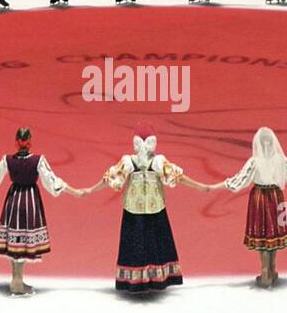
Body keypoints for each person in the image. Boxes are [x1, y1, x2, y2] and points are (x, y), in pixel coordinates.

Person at [0, 128, 86, 295]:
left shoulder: (8, 160)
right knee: (23, 241)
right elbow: (52, 182)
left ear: (16, 142)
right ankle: (17, 282)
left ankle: (16, 279)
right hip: (29, 201)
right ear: (30, 141)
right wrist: (74, 191)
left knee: (14, 241)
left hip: (14, 200)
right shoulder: (38, 160)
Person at [81, 122, 212, 293]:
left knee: (139, 245)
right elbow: (177, 176)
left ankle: (140, 282)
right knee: (153, 244)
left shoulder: (133, 161)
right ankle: (152, 281)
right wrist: (199, 186)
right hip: (149, 210)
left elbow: (111, 178)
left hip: (142, 211)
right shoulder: (154, 161)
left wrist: (90, 189)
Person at [208, 127, 287, 288]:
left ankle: (265, 271)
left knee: (262, 232)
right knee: (274, 232)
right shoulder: (280, 159)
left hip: (259, 198)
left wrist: (212, 187)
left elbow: (238, 181)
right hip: (276, 197)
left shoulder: (254, 161)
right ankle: (272, 269)